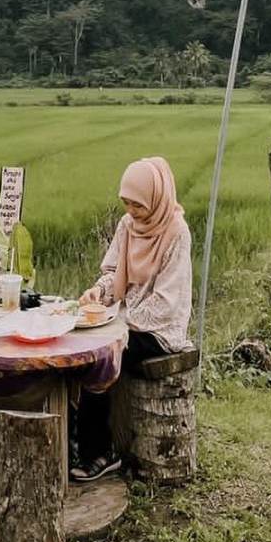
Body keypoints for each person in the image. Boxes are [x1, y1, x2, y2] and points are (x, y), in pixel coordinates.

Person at [69, 155, 194, 481]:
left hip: (159, 329)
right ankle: (75, 438)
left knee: (104, 355)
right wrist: (99, 293)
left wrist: (118, 327)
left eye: (137, 205)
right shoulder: (129, 226)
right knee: (77, 348)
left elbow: (166, 303)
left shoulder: (177, 232)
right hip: (124, 320)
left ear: (155, 198)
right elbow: (114, 273)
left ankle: (100, 452)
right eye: (126, 204)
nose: (131, 212)